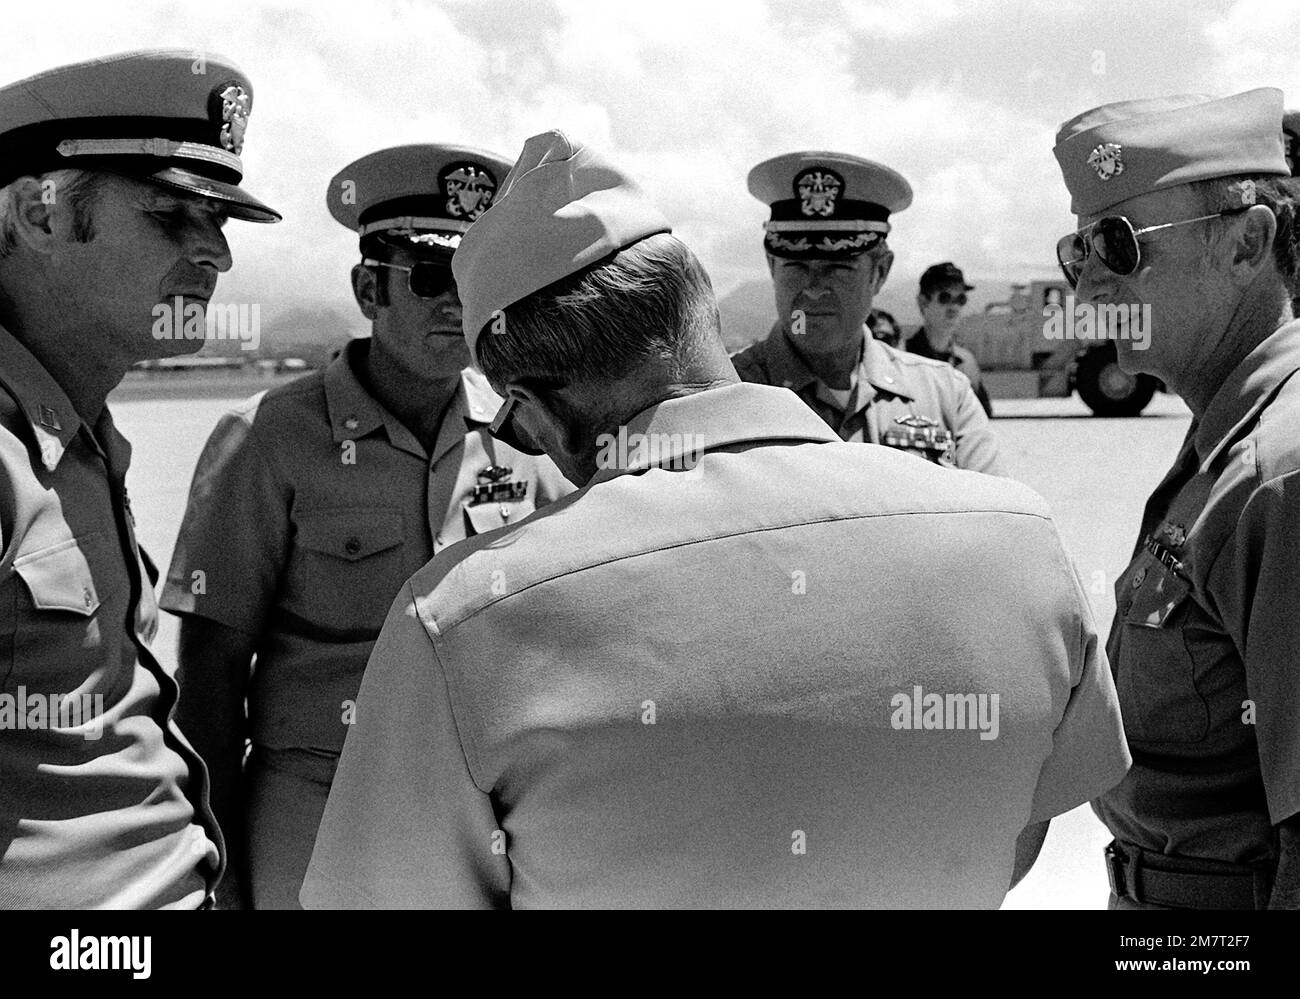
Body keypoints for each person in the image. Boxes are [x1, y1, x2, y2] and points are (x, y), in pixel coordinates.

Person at [301, 130, 1130, 909]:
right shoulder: (1017, 542)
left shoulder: (461, 619)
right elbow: (1026, 834)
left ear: (536, 411)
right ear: (704, 320)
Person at [160, 144, 571, 909]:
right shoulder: (267, 439)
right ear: (367, 288)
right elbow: (210, 681)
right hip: (316, 810)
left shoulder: (530, 434)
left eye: (472, 279)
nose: (455, 302)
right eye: (428, 274)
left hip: (490, 818)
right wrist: (220, 873)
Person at [0, 50, 278, 908]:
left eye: (220, 219)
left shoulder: (75, 434)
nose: (218, 255)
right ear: (40, 215)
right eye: (171, 214)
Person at [1053, 87, 1300, 909]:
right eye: (1078, 248)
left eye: (1119, 246)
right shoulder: (1226, 441)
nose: (1089, 285)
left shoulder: (1279, 474)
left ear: (1247, 244)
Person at [730, 152, 1002, 474]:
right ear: (772, 266)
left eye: (838, 266)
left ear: (880, 272)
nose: (814, 288)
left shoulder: (945, 396)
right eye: (796, 265)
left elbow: (996, 519)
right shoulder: (726, 398)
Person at [905, 262, 993, 418]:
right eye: (944, 297)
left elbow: (982, 419)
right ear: (923, 302)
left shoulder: (967, 362)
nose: (954, 307)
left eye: (961, 299)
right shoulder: (902, 358)